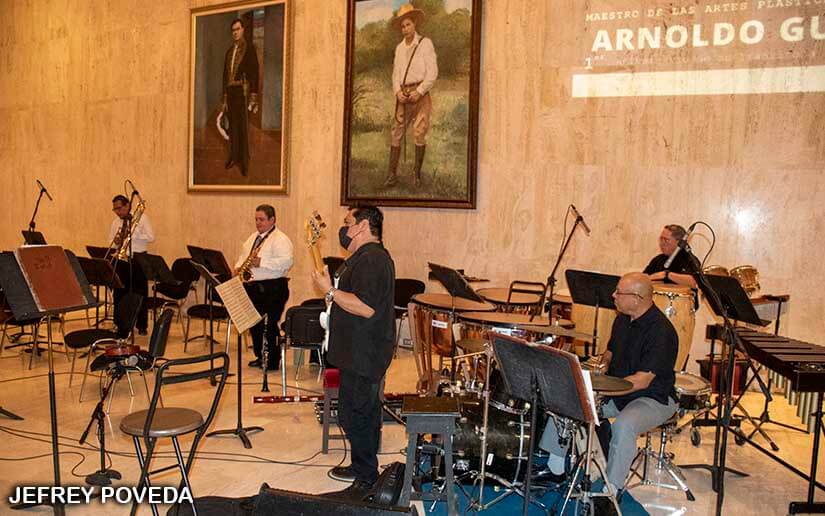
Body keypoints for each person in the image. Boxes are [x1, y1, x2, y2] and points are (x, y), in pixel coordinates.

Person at [538, 273, 678, 511]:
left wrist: (602, 389)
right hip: (619, 391)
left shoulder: (662, 332)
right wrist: (599, 368)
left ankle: (611, 490)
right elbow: (611, 352)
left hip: (653, 397)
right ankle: (556, 466)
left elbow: (643, 381)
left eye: (619, 292)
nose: (613, 295)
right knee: (570, 400)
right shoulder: (623, 319)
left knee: (624, 425)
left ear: (637, 298)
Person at [312, 206, 396, 501]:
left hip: (365, 353)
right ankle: (364, 467)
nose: (344, 229)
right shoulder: (362, 258)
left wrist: (330, 292)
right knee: (363, 412)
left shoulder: (373, 259)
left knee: (355, 414)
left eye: (348, 223)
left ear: (362, 226)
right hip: (356, 350)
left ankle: (365, 480)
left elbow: (365, 306)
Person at [383, 3, 438, 187]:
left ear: (415, 24)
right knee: (397, 132)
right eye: (402, 26)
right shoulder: (399, 48)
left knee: (419, 132)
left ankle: (416, 174)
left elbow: (432, 73)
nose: (405, 29)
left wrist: (420, 91)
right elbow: (396, 74)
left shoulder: (425, 44)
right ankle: (391, 175)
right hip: (403, 95)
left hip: (420, 94)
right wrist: (398, 92)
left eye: (408, 24)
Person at [234, 204, 292, 369]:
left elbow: (287, 262)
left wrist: (261, 262)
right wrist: (238, 267)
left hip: (273, 288)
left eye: (262, 219)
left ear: (272, 220)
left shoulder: (281, 239)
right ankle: (260, 356)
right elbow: (243, 256)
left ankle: (272, 361)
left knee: (269, 324)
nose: (258, 223)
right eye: (256, 219)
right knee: (254, 324)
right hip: (253, 287)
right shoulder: (253, 237)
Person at [108, 194, 154, 335]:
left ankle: (141, 325)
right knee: (120, 292)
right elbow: (110, 240)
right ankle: (120, 324)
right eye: (115, 209)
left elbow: (151, 237)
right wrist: (117, 239)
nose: (117, 212)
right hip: (122, 259)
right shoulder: (116, 222)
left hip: (138, 258)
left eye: (119, 208)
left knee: (140, 292)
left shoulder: (142, 218)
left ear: (128, 205)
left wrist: (133, 234)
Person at [222, 18, 259, 177]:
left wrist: (253, 97)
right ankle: (233, 157)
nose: (235, 32)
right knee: (232, 127)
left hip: (242, 93)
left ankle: (244, 162)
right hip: (230, 93)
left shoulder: (249, 49)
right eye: (233, 30)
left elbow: (255, 73)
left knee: (242, 128)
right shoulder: (229, 52)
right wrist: (224, 99)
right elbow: (224, 76)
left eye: (238, 29)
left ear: (243, 30)